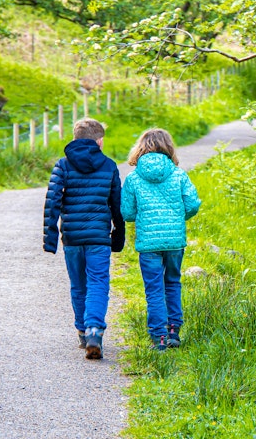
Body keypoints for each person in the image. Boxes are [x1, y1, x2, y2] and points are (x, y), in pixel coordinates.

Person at [43, 118, 125, 360]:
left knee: (78, 285)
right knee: (98, 283)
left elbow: (52, 202)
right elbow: (117, 206)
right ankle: (94, 330)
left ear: (75, 138)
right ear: (99, 141)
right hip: (99, 238)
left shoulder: (63, 165)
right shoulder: (109, 166)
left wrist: (50, 237)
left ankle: (82, 331)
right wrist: (118, 236)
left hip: (72, 238)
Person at [121, 128, 201, 351]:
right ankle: (174, 330)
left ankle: (159, 337)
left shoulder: (134, 178)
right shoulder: (179, 174)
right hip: (175, 241)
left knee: (154, 289)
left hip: (149, 243)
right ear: (169, 147)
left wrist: (142, 216)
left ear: (140, 147)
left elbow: (127, 213)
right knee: (173, 282)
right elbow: (193, 204)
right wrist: (178, 218)